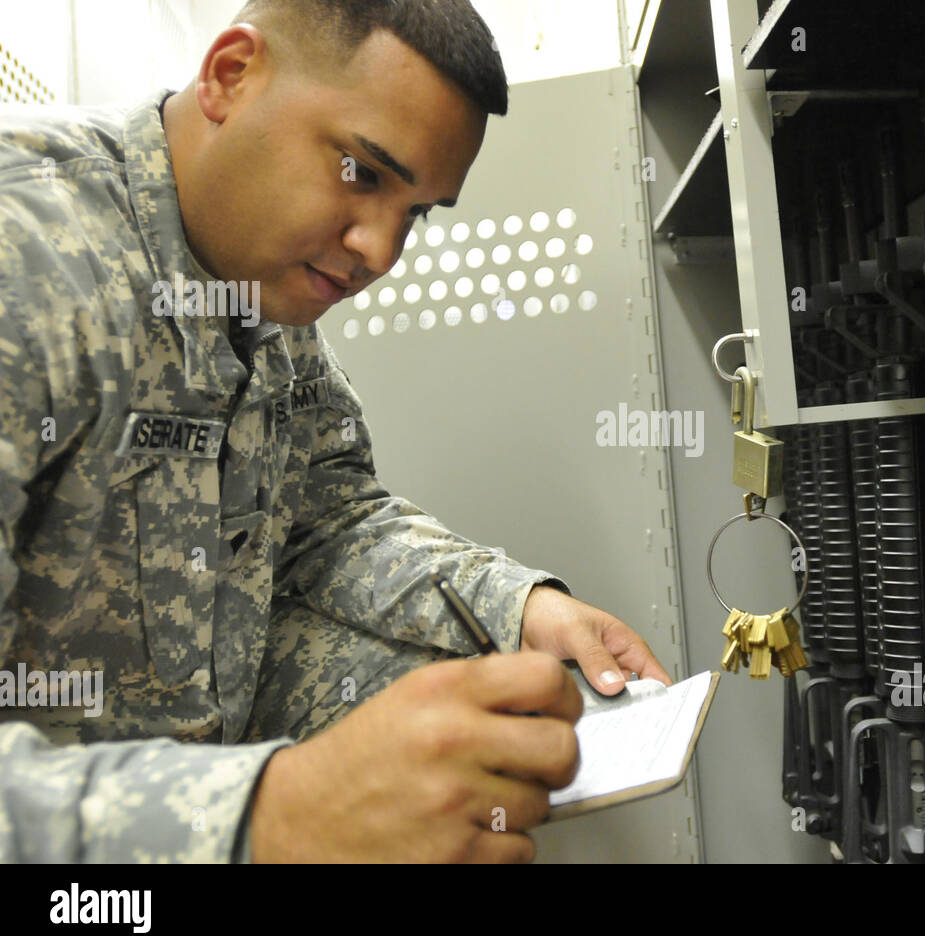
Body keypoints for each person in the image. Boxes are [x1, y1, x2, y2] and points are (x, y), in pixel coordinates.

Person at [0, 0, 670, 863]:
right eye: (362, 172)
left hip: (179, 778)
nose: (381, 251)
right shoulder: (31, 262)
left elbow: (330, 511)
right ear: (230, 76)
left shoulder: (263, 282)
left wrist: (519, 604)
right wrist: (271, 815)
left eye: (417, 211)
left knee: (466, 726)